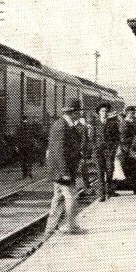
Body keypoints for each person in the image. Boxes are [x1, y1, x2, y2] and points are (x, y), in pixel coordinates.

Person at [45, 99, 86, 235]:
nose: (80, 114)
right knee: (71, 197)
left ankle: (50, 229)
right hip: (61, 171)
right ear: (73, 112)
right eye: (79, 112)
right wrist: (64, 172)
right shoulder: (61, 127)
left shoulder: (67, 125)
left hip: (62, 169)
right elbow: (59, 151)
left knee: (58, 198)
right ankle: (72, 227)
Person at [95, 106, 118, 200]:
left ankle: (109, 190)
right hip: (98, 151)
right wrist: (94, 149)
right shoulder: (95, 123)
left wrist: (114, 149)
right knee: (100, 172)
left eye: (106, 111)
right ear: (99, 112)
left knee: (110, 169)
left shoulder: (112, 124)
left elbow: (117, 138)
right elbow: (91, 138)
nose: (104, 112)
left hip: (109, 150)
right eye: (102, 111)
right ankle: (101, 194)